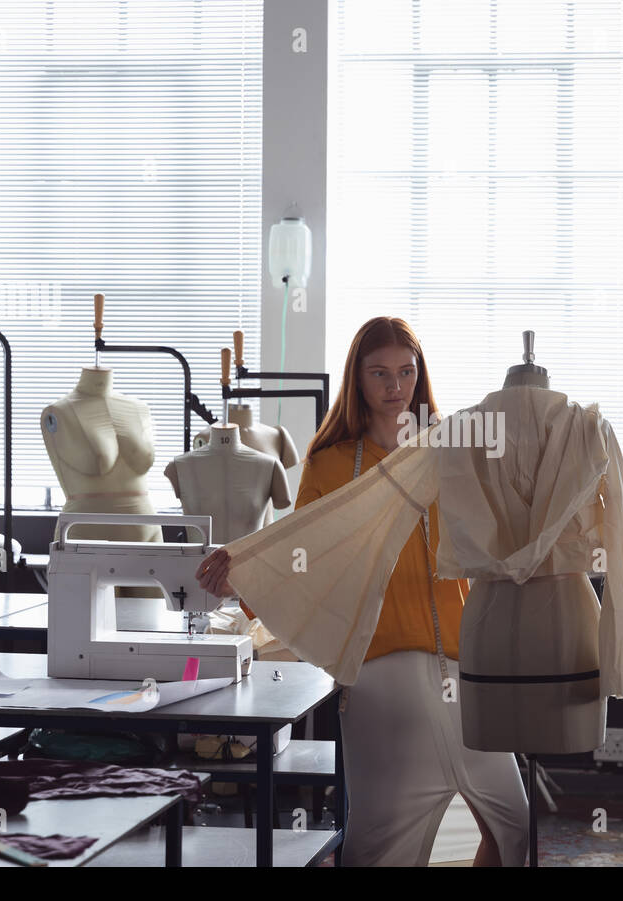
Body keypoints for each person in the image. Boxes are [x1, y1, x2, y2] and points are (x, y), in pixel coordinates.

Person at [197, 317, 529, 867]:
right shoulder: (330, 463)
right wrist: (247, 577)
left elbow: (503, 522)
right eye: (379, 373)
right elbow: (303, 556)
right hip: (377, 670)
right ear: (358, 377)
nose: (394, 386)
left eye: (405, 371)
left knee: (511, 820)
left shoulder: (451, 451)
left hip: (461, 663)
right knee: (381, 836)